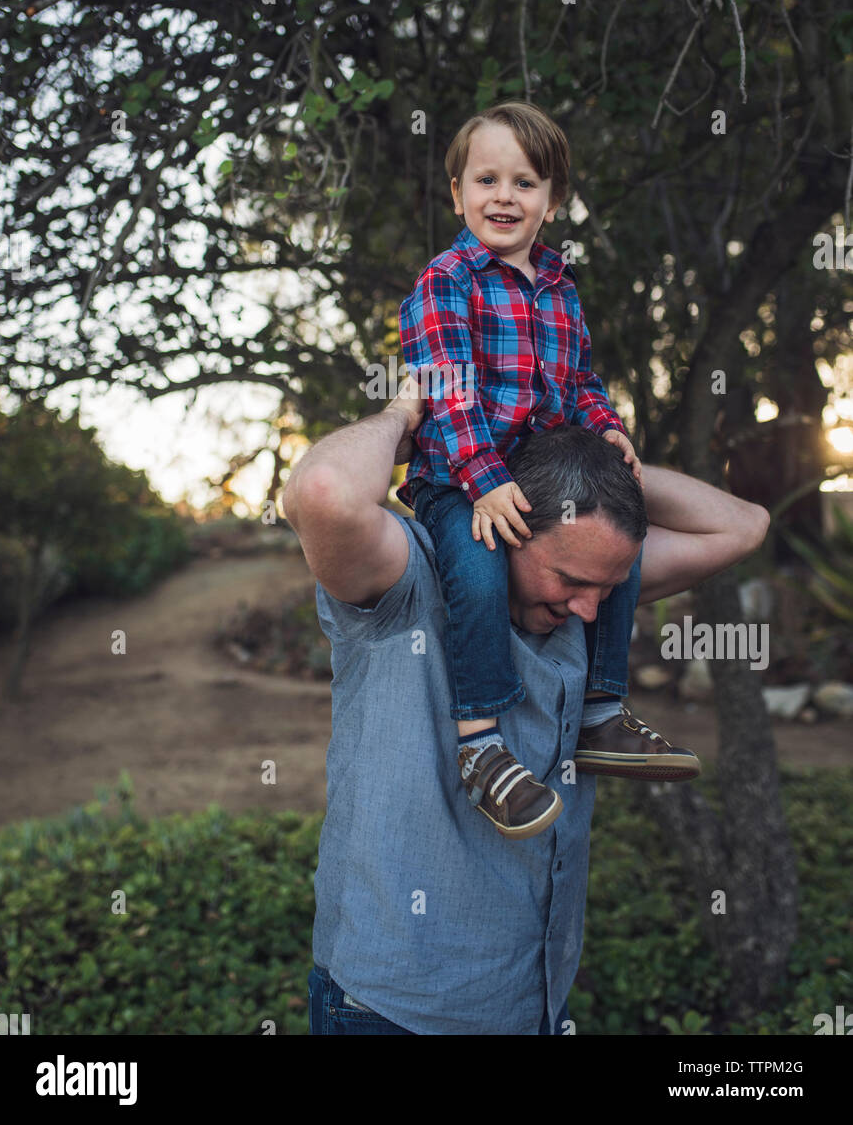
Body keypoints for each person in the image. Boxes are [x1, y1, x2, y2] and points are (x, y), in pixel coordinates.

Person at [283, 390, 769, 1035]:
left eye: (608, 587)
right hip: (395, 1013)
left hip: (533, 1003)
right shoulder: (406, 580)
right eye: (569, 580)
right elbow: (321, 491)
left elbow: (744, 525)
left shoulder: (586, 584)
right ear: (502, 527)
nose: (591, 611)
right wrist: (404, 417)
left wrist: (605, 469)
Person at [397, 101, 697, 839]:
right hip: (457, 478)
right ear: (458, 193)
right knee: (476, 565)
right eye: (486, 179)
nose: (504, 196)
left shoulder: (560, 288)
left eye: (525, 182)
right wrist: (480, 474)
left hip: (544, 476)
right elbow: (446, 383)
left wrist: (607, 428)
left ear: (552, 200)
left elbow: (583, 382)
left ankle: (599, 710)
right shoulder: (446, 281)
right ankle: (480, 742)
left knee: (613, 552)